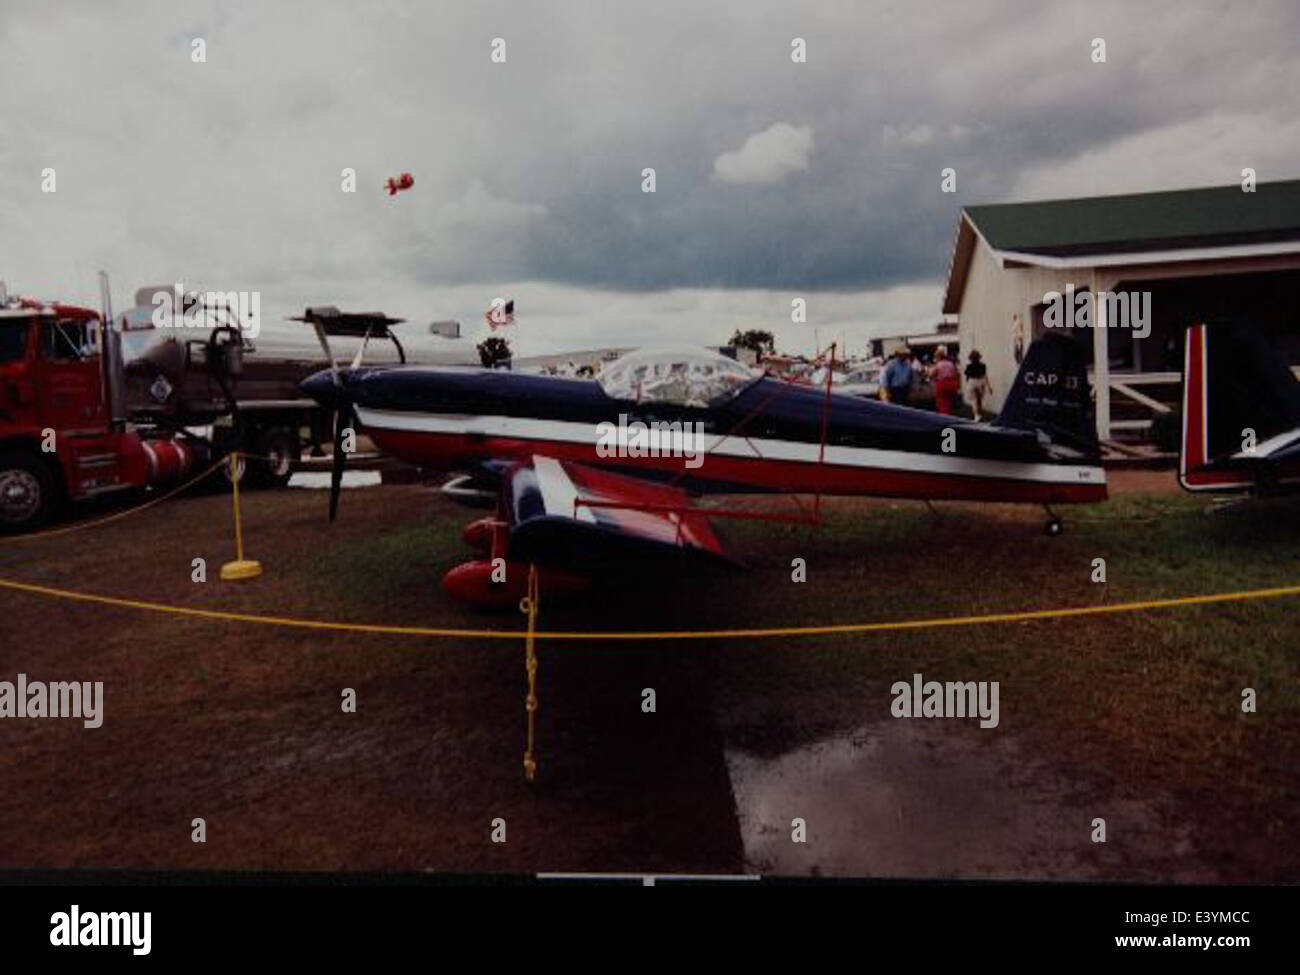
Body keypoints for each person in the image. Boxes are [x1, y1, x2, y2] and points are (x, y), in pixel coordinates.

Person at [930, 345, 959, 415]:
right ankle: (949, 414)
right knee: (950, 401)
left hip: (942, 384)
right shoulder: (951, 364)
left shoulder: (938, 364)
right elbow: (955, 373)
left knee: (942, 402)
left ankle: (944, 417)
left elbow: (932, 374)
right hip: (952, 383)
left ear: (938, 357)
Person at [964, 349, 991, 420]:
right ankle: (980, 414)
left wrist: (968, 383)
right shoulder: (983, 365)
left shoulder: (969, 366)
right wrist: (989, 386)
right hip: (981, 381)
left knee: (973, 400)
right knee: (979, 400)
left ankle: (976, 415)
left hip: (972, 381)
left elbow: (967, 375)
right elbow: (985, 375)